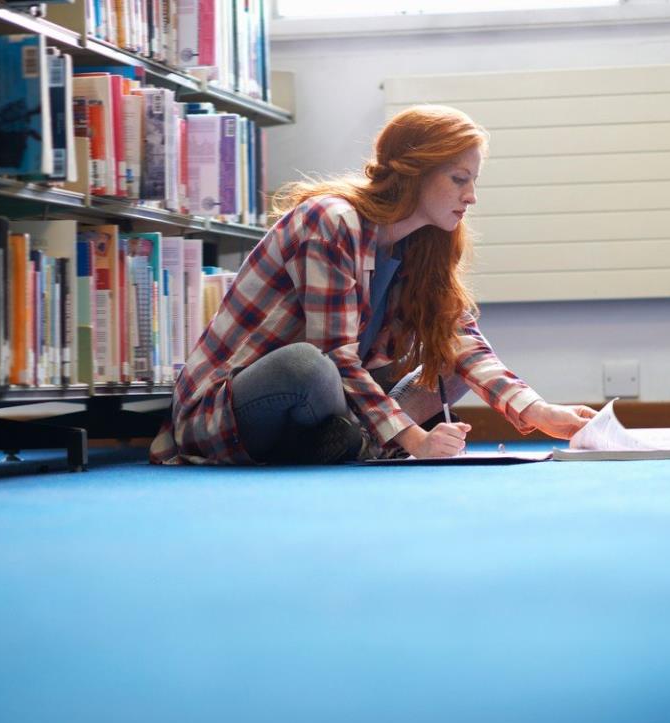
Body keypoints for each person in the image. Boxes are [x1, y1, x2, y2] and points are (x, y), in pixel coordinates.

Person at [150, 104, 597, 465]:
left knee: (451, 361)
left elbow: (463, 341)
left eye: (473, 181)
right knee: (308, 367)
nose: (471, 196)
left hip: (329, 409)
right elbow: (336, 359)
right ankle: (368, 443)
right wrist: (417, 439)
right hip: (233, 409)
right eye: (459, 179)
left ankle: (352, 442)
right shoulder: (331, 220)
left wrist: (538, 412)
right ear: (415, 173)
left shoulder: (424, 245)